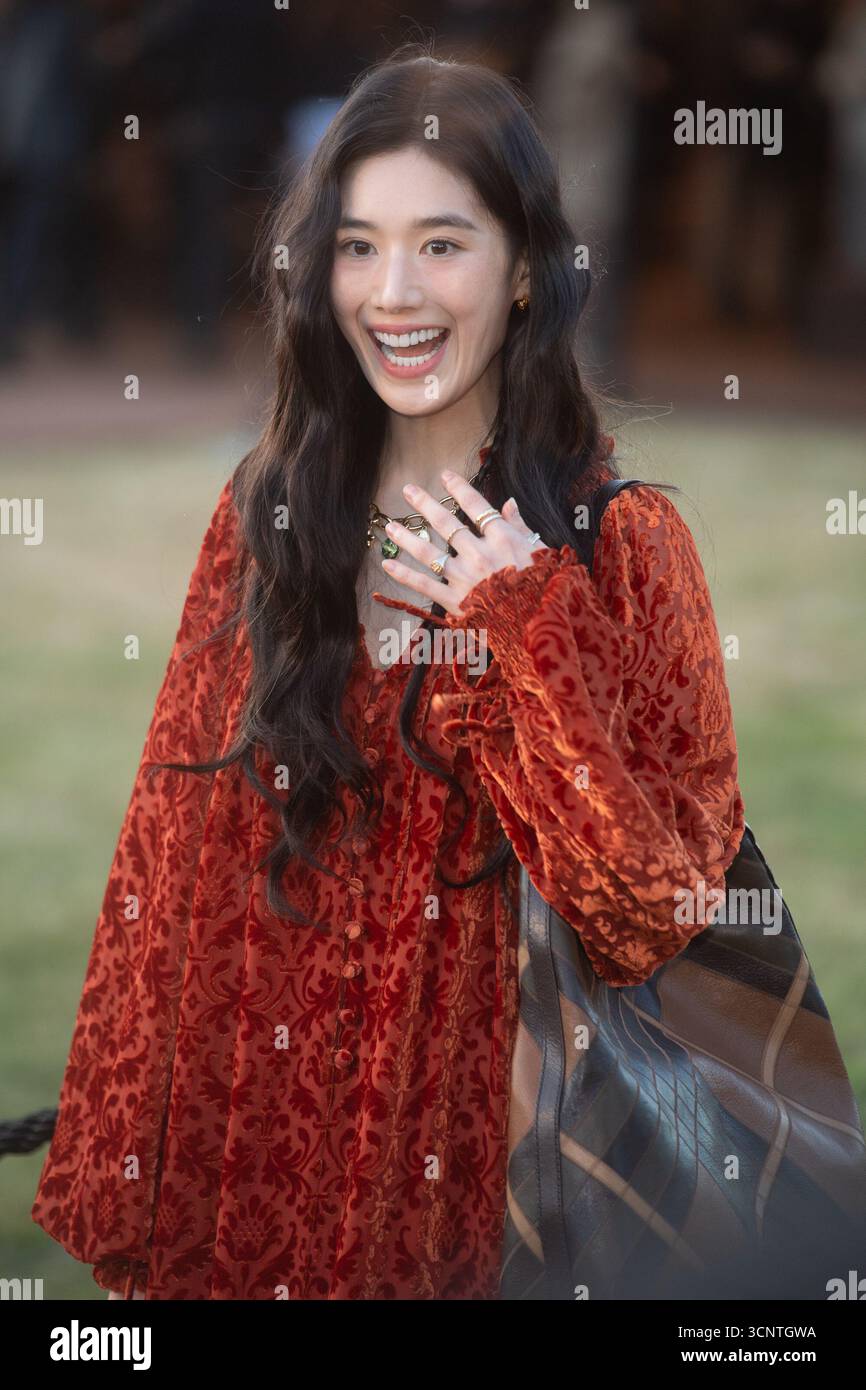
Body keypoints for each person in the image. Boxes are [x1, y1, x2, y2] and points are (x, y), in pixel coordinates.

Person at [31, 46, 744, 1300]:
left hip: (492, 1201)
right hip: (265, 1178)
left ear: (522, 269)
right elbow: (169, 879)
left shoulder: (623, 548)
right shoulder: (266, 515)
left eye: (441, 243)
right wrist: (145, 1195)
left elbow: (654, 916)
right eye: (358, 246)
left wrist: (527, 632)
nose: (392, 291)